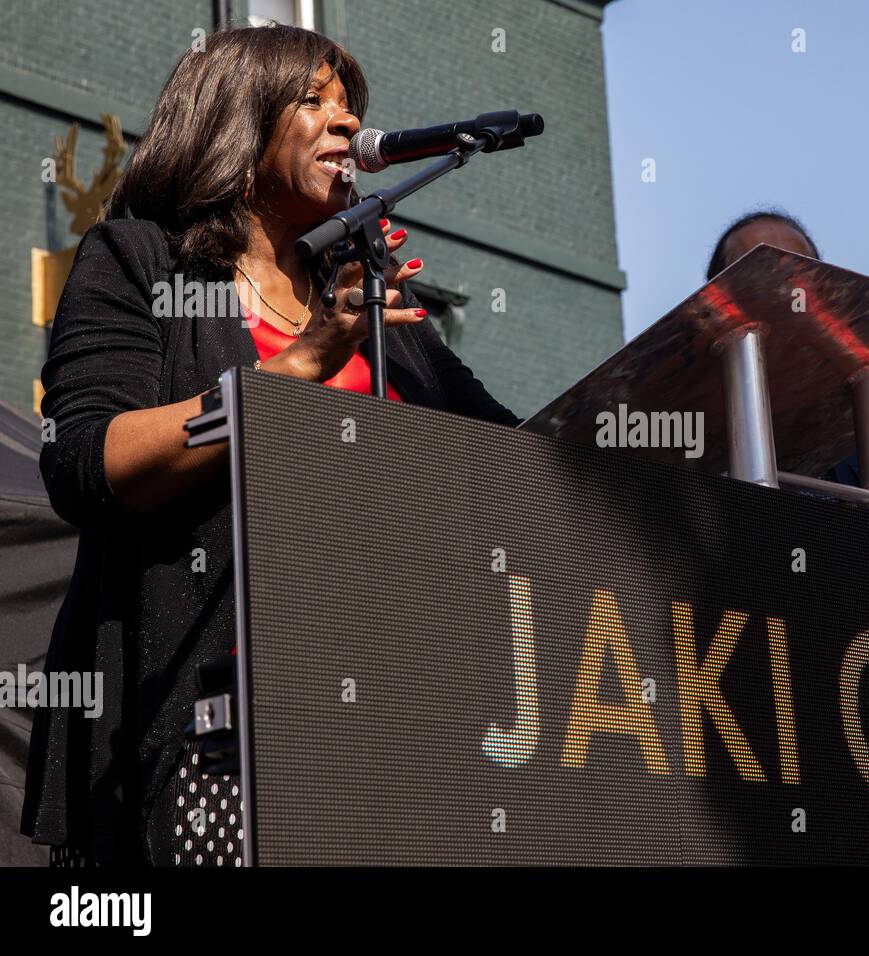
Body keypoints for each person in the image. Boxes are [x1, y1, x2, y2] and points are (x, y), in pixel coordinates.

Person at [22, 25, 519, 867]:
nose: (344, 120)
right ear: (236, 124)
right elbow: (88, 462)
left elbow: (511, 457)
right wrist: (292, 371)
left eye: (349, 104)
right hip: (212, 734)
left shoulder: (365, 300)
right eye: (313, 99)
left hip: (402, 730)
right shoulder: (140, 260)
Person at [705, 210, 869, 529]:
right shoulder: (683, 422)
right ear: (717, 298)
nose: (784, 286)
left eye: (798, 270)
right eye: (758, 267)